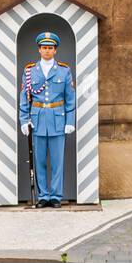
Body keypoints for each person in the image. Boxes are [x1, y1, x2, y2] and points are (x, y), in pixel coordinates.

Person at [19, 31, 77, 207]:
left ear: (55, 50)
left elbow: (70, 98)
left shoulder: (64, 70)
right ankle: (43, 196)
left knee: (57, 162)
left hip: (58, 120)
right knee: (39, 161)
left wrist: (70, 121)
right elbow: (24, 97)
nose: (47, 51)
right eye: (44, 47)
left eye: (50, 48)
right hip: (37, 120)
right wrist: (23, 119)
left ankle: (56, 196)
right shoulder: (29, 71)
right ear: (39, 49)